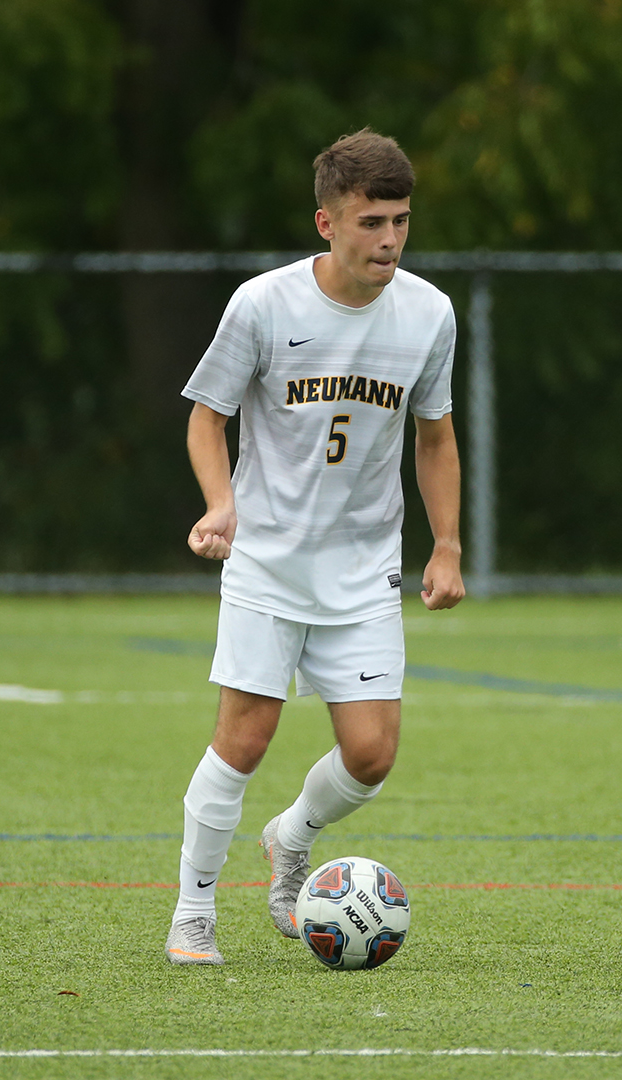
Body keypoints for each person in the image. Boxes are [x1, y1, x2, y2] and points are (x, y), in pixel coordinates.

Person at [166, 129, 464, 965]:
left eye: (402, 220)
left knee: (372, 755)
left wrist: (447, 547)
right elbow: (205, 416)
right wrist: (220, 504)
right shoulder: (263, 305)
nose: (391, 240)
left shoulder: (430, 313)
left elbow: (434, 438)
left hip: (366, 565)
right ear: (326, 222)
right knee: (246, 737)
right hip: (266, 556)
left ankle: (291, 838)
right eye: (372, 221)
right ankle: (193, 913)